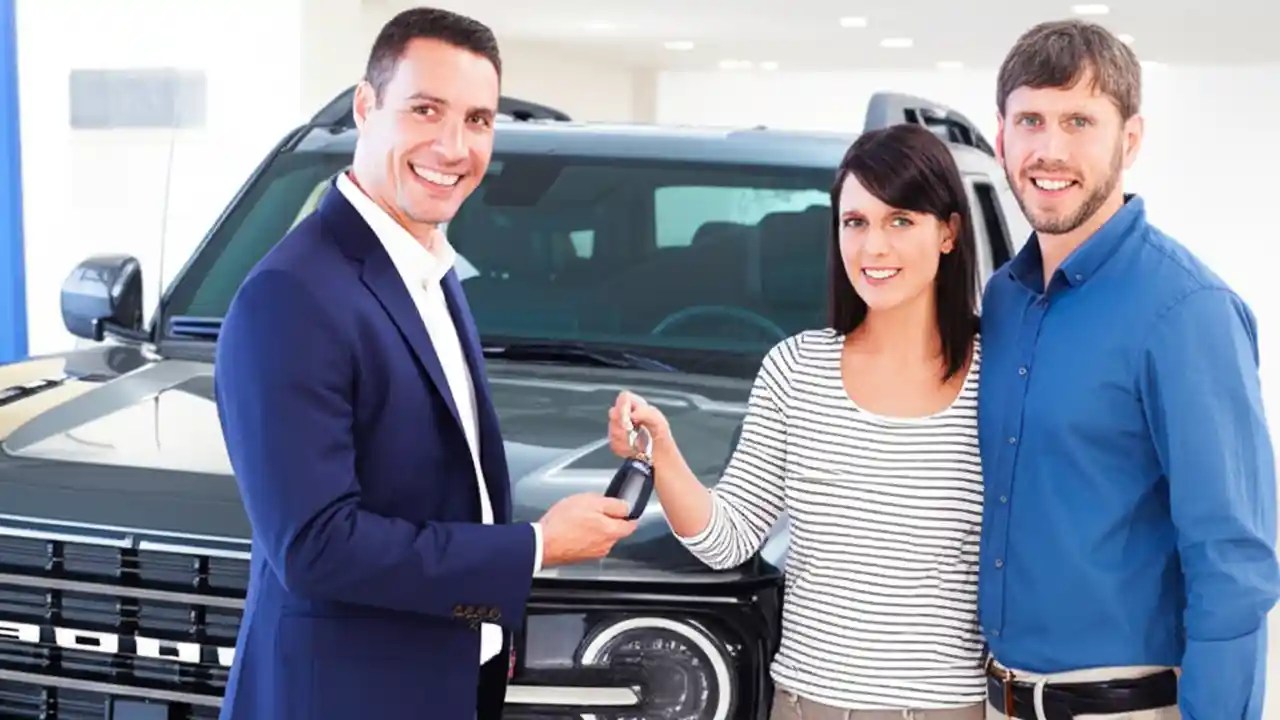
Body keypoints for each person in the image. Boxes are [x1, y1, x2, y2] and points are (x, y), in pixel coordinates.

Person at [212, 8, 637, 720]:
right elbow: (315, 546)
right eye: (426, 110)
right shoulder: (294, 294)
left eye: (477, 119)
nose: (453, 145)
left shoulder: (427, 270)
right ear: (365, 108)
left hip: (442, 680)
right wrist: (534, 546)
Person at [608, 123, 987, 718]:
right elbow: (726, 538)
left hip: (947, 709)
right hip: (807, 707)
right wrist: (663, 451)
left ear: (948, 232)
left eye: (900, 221)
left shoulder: (995, 382)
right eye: (855, 222)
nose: (873, 248)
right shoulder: (796, 369)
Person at [977, 19, 1280, 720]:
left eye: (1080, 120)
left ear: (1130, 139)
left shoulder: (1186, 312)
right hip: (998, 699)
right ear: (1002, 137)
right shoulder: (1003, 300)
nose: (1050, 150)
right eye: (1031, 120)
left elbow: (1232, 563)